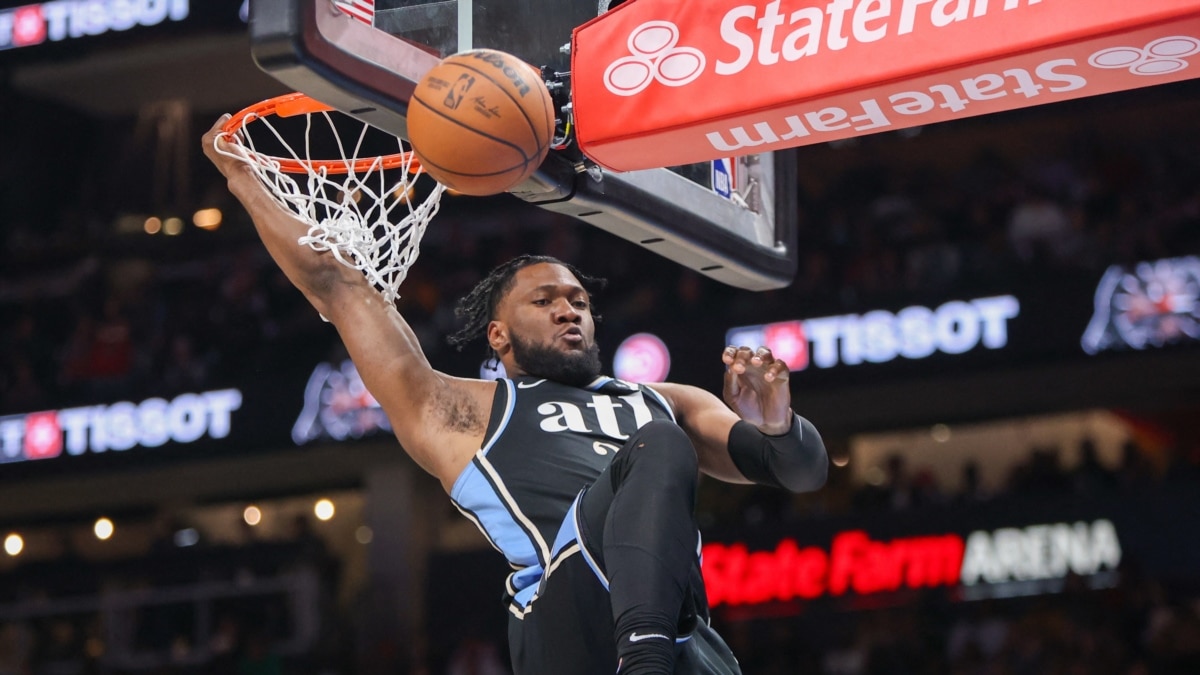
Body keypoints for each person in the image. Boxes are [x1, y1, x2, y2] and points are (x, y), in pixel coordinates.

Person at [202, 117, 829, 675]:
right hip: (569, 619)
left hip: (681, 627)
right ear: (497, 335)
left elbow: (800, 473)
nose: (569, 310)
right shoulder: (461, 410)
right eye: (545, 301)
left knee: (661, 445)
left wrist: (779, 425)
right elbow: (338, 288)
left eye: (579, 301)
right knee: (658, 446)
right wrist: (242, 179)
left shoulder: (669, 399)